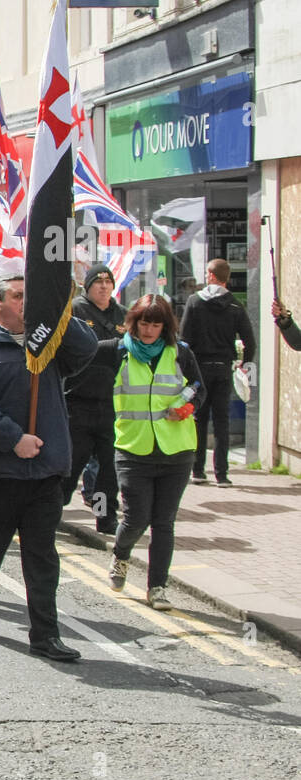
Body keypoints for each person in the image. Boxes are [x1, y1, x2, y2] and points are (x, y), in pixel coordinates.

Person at [0, 275, 98, 661]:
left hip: (45, 471)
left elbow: (87, 348)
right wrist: (14, 438)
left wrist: (60, 307)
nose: (25, 303)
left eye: (29, 297)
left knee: (42, 555)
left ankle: (46, 635)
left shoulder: (47, 345)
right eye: (19, 297)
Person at [100, 295, 206, 610]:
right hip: (133, 450)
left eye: (155, 324)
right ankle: (120, 554)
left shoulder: (181, 353)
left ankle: (157, 588)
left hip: (177, 451)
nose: (149, 330)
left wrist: (186, 406)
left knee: (163, 522)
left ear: (166, 326)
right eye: (144, 322)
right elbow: (77, 357)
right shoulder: (117, 351)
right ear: (133, 322)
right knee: (136, 518)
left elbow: (199, 386)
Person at [62, 264, 126, 533]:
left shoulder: (122, 315)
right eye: (97, 281)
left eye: (108, 281)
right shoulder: (76, 310)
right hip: (78, 402)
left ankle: (104, 517)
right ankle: (53, 509)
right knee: (71, 465)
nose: (103, 286)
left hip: (112, 405)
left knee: (107, 471)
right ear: (87, 286)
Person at [179, 259, 255, 486]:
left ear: (211, 275)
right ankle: (222, 474)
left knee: (198, 418)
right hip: (223, 369)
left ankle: (198, 471)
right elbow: (250, 341)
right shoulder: (234, 306)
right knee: (222, 421)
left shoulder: (194, 302)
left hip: (199, 369)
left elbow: (184, 340)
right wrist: (244, 362)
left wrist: (185, 369)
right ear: (227, 278)